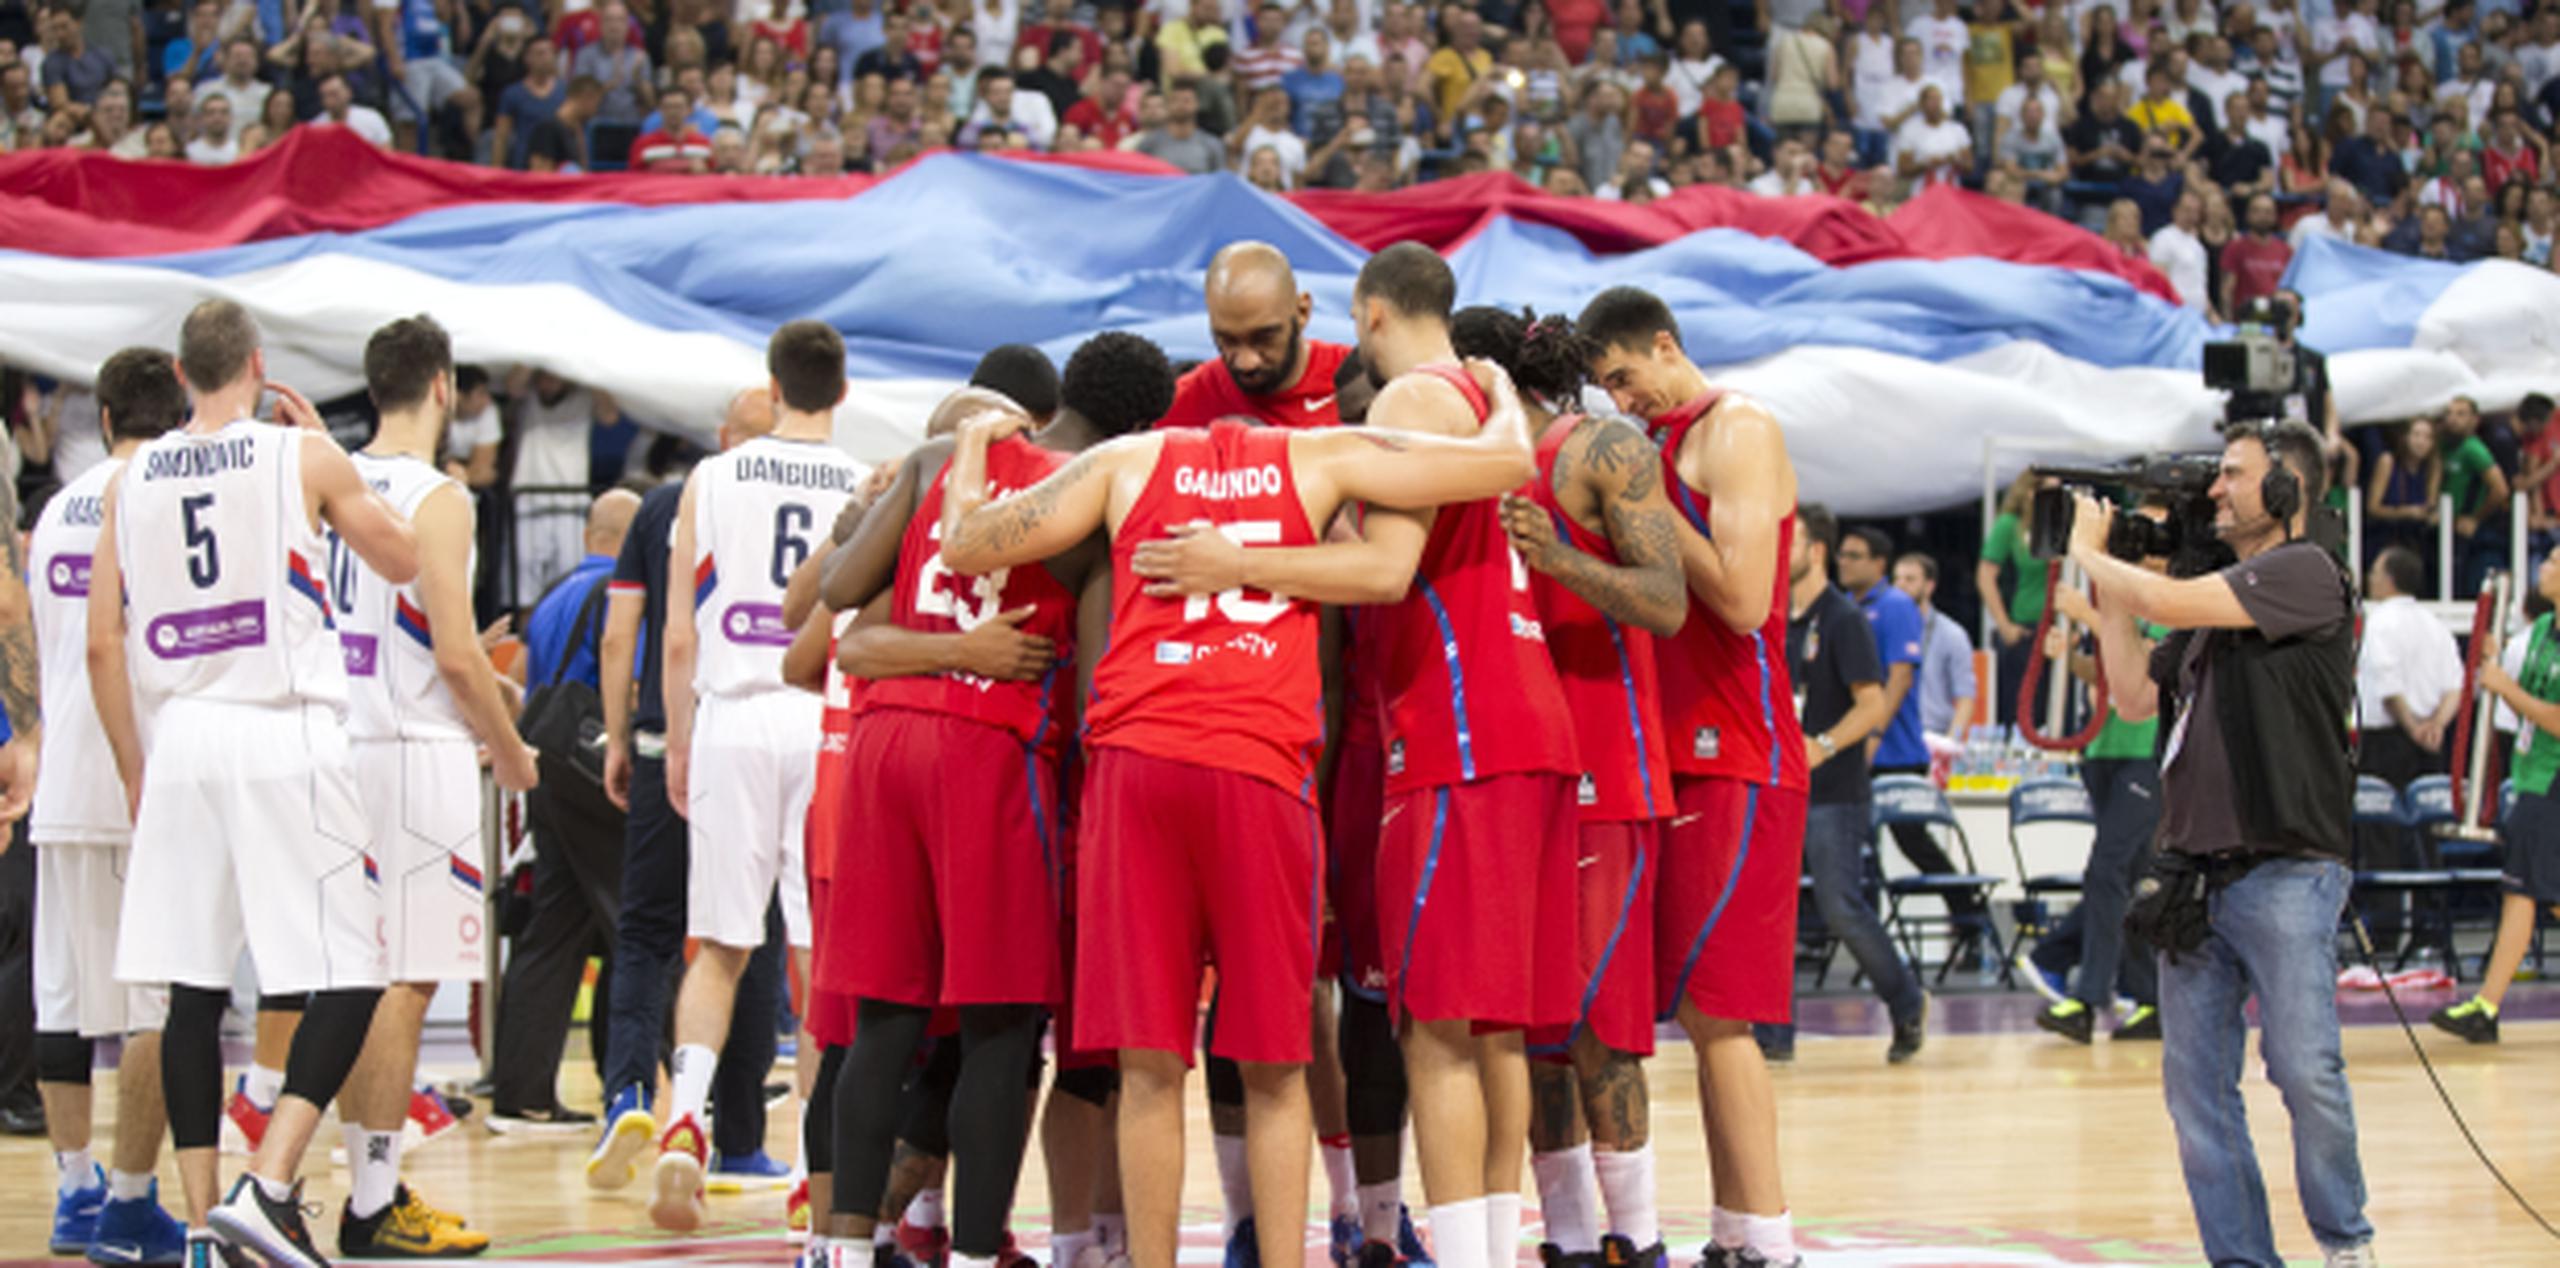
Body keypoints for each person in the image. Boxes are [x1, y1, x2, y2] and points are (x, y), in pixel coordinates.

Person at [937, 256, 1543, 1268]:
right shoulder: (1321, 456)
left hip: (1136, 765)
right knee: (1273, 1064)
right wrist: (1504, 391)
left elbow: (965, 543)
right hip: (1258, 769)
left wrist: (966, 447)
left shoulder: (1130, 460)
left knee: (1145, 1067)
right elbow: (1506, 463)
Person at [91, 299, 420, 1266]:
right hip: (283, 727)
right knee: (353, 973)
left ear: (183, 372)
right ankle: (269, 1187)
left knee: (191, 992)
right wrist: (332, 452)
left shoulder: (133, 474)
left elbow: (104, 640)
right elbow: (401, 559)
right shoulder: (299, 456)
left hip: (182, 733)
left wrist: (136, 770)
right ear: (256, 365)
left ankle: (200, 1226)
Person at [2066, 420, 2378, 1268]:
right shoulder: (2217, 601)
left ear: (2287, 490)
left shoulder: (2304, 573)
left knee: (2304, 1072)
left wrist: (2096, 554)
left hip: (2285, 868)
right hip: (2194, 876)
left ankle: (2347, 1246)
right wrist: (2103, 604)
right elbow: (2131, 694)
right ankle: (2242, 1260)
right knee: (2196, 1092)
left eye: (2233, 475)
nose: (2213, 491)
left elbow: (2164, 599)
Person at [1578, 285, 1807, 1268]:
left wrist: (1645, 516)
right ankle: (1730, 1232)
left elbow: (1748, 599)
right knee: (1683, 1011)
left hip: (1739, 750)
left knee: (1722, 1013)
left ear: (1666, 347)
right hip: (1664, 752)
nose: (1621, 402)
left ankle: (1767, 1238)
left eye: (1626, 378)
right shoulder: (1653, 442)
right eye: (1604, 391)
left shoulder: (1737, 426)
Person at [1461, 307, 1685, 1267]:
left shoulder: (1605, 445)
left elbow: (1668, 600)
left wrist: (1555, 556)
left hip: (1609, 768)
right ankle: (1566, 1239)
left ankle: (1635, 1236)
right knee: (1533, 1024)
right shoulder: (1468, 463)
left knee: (1602, 1026)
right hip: (1517, 767)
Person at [326, 315, 543, 1258]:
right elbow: (455, 655)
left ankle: (358, 1182)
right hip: (413, 748)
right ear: (446, 389)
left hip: (336, 741)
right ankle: (373, 1199)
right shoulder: (437, 494)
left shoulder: (326, 480)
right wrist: (511, 748)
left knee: (354, 980)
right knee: (403, 984)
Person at [649, 322, 870, 1233]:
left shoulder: (713, 475)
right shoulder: (864, 479)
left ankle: (685, 1122)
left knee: (720, 945)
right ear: (842, 390)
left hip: (731, 716)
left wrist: (677, 738)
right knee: (819, 955)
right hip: (819, 718)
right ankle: (812, 1171)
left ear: (772, 386)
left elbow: (676, 631)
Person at [585, 391, 791, 1207]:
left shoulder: (670, 500)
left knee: (645, 932)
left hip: (670, 732)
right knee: (752, 936)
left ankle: (631, 1096)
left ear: (721, 440)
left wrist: (623, 732)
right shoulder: (806, 489)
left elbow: (622, 629)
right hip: (767, 726)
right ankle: (738, 1138)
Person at [29, 347, 188, 1268]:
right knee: (154, 1004)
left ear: (102, 413)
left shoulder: (56, 509)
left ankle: (73, 1185)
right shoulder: (157, 500)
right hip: (139, 775)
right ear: (175, 414)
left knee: (64, 1002)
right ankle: (133, 1198)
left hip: (64, 782)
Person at [492, 487, 642, 1132]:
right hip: (595, 768)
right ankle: (656, 1079)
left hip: (548, 764)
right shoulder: (619, 591)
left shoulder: (551, 597)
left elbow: (523, 675)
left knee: (553, 928)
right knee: (637, 923)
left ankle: (521, 1094)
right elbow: (627, 674)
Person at [1768, 504, 1924, 1065]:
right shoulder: (1774, 617)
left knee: (1840, 907)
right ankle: (1773, 1033)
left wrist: (1823, 746)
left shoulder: (1843, 619)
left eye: (1789, 541)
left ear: (1815, 552)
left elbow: (1873, 702)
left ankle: (1906, 1000)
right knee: (1773, 907)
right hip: (1779, 784)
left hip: (1833, 787)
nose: (1775, 551)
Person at [2029, 558, 2166, 1044]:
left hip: (2146, 753)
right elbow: (2106, 672)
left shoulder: (2166, 600)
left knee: (2107, 869)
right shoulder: (2119, 604)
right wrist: (2067, 655)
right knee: (2132, 876)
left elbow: (2150, 661)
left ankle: (2088, 998)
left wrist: (2086, 615)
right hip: (2104, 747)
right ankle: (2151, 1000)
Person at [1840, 527, 1989, 962]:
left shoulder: (1898, 609)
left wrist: (1873, 735)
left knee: (1913, 840)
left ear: (1877, 563)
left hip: (1896, 749)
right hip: (1856, 746)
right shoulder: (1848, 607)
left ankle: (1970, 917)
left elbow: (1900, 677)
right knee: (1847, 841)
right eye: (1841, 555)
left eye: (1853, 555)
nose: (1843, 562)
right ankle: (1829, 934)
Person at [2432, 547, 2560, 1044]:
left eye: (2553, 562)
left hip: (2552, 780)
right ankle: (2485, 1007)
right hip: (2533, 775)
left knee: (2534, 893)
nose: (2544, 568)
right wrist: (2493, 662)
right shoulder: (2544, 629)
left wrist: (2504, 686)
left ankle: (2486, 1007)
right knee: (2525, 893)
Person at [2350, 544, 2463, 952]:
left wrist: (2414, 725)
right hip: (2430, 741)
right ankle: (2429, 934)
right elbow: (2456, 685)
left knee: (2381, 835)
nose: (2371, 577)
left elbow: (2388, 684)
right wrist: (2435, 726)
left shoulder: (2380, 622)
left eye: (2376, 571)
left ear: (2390, 579)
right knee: (2425, 836)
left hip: (2387, 741)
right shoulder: (2435, 624)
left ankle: (2383, 936)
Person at [1158, 242, 1359, 430]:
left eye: (1264, 338)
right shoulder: (1183, 403)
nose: (1247, 363)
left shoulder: (1365, 383)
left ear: (1302, 312)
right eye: (1227, 340)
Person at [1891, 552, 1974, 744]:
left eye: (1909, 579)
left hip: (1933, 733)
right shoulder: (1882, 628)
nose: (1900, 585)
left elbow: (1965, 698)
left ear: (1929, 586)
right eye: (1896, 579)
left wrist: (1950, 743)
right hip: (1890, 734)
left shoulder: (1951, 634)